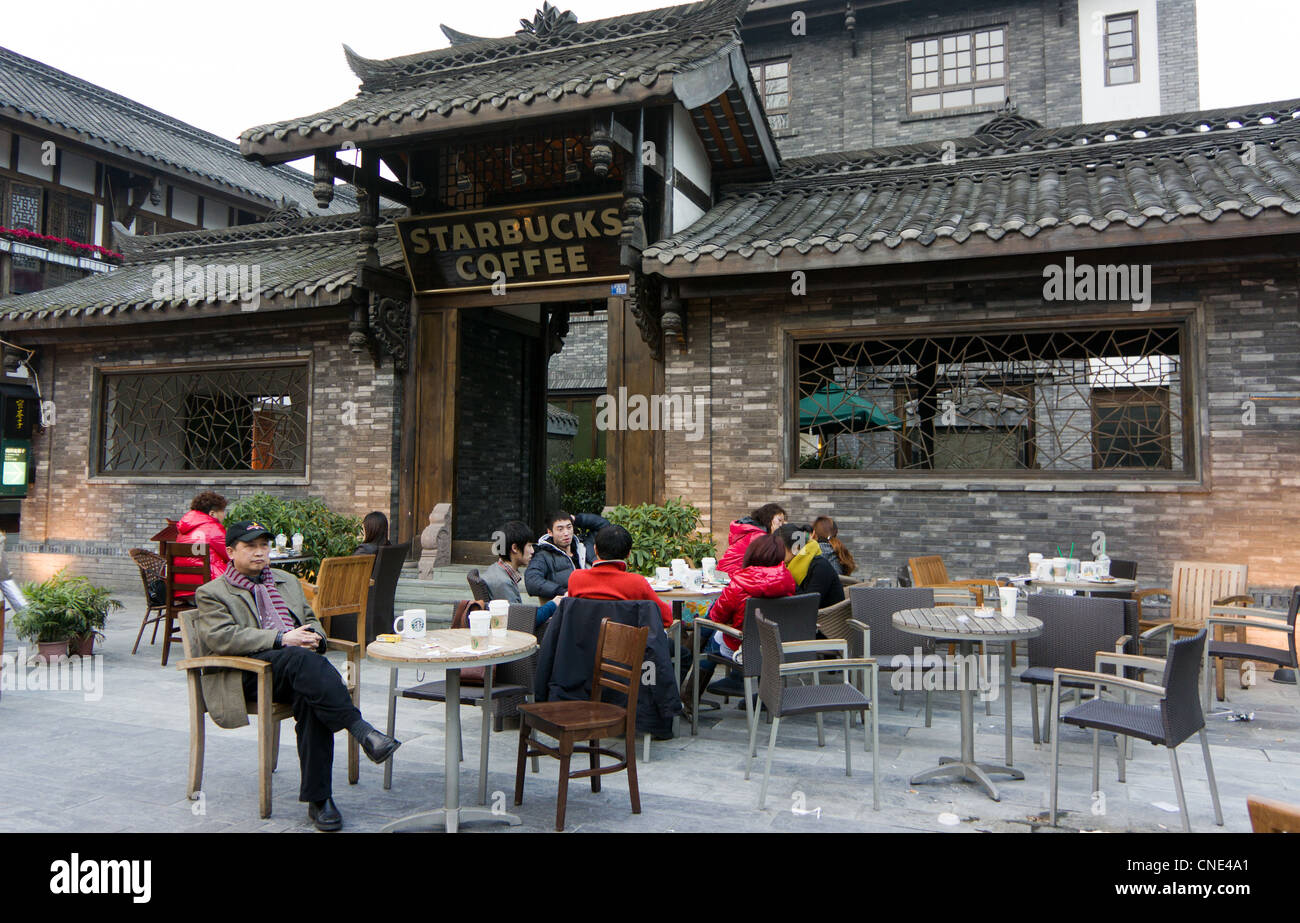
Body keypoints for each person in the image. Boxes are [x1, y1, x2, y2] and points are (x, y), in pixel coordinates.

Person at [192, 520, 401, 831]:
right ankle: (362, 731)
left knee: (311, 695)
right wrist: (280, 639)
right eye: (251, 547)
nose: (260, 553)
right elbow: (223, 638)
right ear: (231, 551)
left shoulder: (286, 581)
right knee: (298, 659)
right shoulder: (212, 592)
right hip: (246, 673)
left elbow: (310, 619)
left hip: (294, 672)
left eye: (264, 546)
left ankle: (320, 800)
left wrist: (315, 637)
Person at [687, 534, 796, 702]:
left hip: (741, 646)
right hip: (774, 645)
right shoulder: (788, 580)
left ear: (753, 553)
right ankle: (765, 699)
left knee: (709, 640)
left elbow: (717, 616)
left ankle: (689, 699)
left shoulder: (739, 582)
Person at [566, 525, 673, 628]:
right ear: (629, 554)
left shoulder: (576, 578)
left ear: (595, 549)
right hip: (627, 645)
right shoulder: (636, 582)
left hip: (582, 645)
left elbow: (571, 616)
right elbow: (666, 618)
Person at [524, 510, 610, 604]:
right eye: (560, 529)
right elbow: (532, 581)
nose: (566, 533)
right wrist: (562, 592)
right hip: (567, 608)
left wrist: (577, 519)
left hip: (595, 602)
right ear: (550, 532)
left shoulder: (584, 546)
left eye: (569, 527)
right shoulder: (543, 555)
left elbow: (605, 526)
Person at [483, 519, 557, 628]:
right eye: (529, 546)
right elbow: (519, 622)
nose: (532, 551)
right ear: (515, 548)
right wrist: (553, 605)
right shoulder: (502, 582)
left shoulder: (495, 569)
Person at [777, 523, 845, 609]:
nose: (776, 553)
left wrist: (787, 578)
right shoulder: (790, 564)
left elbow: (809, 604)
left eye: (780, 548)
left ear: (797, 547)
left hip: (825, 619)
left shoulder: (820, 566)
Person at [174, 491, 231, 591]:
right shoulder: (213, 528)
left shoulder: (182, 531)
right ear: (212, 513)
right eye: (222, 511)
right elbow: (231, 555)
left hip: (181, 589)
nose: (224, 515)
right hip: (209, 589)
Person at [716, 502, 787, 577]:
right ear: (769, 518)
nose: (781, 525)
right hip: (729, 575)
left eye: (783, 522)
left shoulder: (754, 531)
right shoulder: (759, 536)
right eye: (779, 520)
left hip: (724, 573)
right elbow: (766, 563)